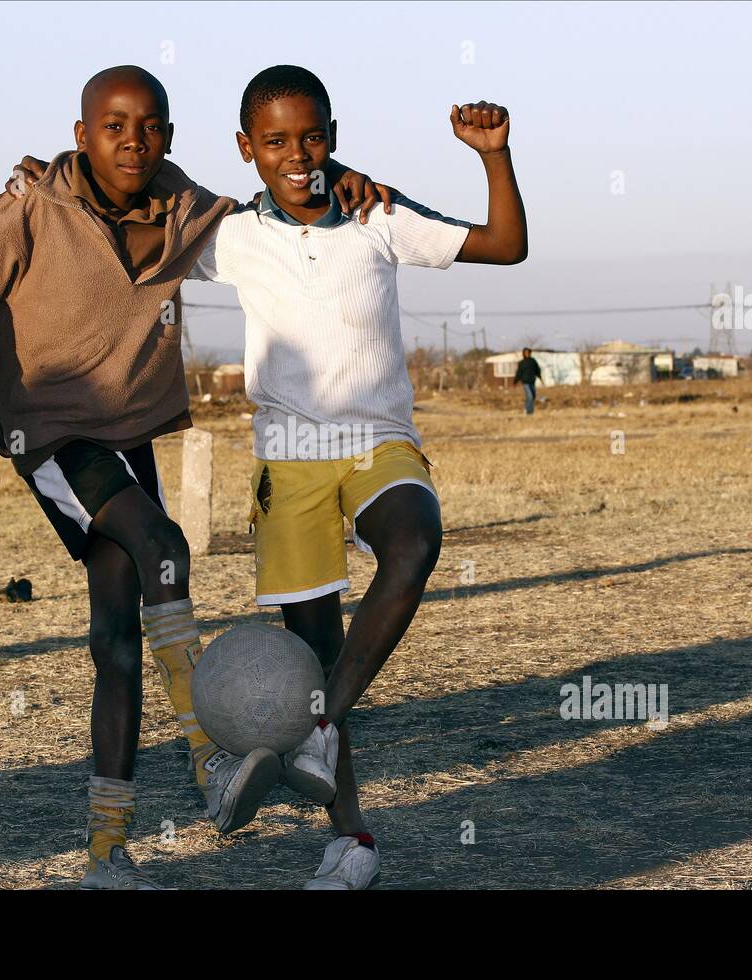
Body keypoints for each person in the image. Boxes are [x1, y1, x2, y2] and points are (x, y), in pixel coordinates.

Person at [0, 65, 390, 889]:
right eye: (112, 125)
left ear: (170, 138)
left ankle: (107, 853)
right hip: (49, 432)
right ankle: (210, 757)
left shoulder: (187, 208)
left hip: (127, 436)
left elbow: (275, 198)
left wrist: (335, 178)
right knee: (164, 543)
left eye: (149, 126)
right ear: (81, 135)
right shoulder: (32, 206)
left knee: (116, 641)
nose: (131, 140)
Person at [185, 65, 527, 888]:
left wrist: (494, 155)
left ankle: (318, 729)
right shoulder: (229, 236)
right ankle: (351, 842)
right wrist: (49, 185)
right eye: (275, 142)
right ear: (246, 150)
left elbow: (504, 245)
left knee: (414, 545)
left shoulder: (378, 213)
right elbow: (135, 225)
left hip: (378, 438)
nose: (296, 155)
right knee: (314, 650)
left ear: (332, 135)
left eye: (311, 136)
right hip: (288, 457)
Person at [513, 347, 542, 413]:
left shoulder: (533, 361)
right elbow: (519, 373)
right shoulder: (522, 363)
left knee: (533, 396)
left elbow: (537, 370)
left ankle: (529, 409)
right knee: (530, 396)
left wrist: (540, 377)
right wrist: (515, 381)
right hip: (525, 382)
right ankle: (529, 411)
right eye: (525, 353)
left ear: (530, 353)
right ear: (524, 354)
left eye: (528, 353)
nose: (527, 354)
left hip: (532, 381)